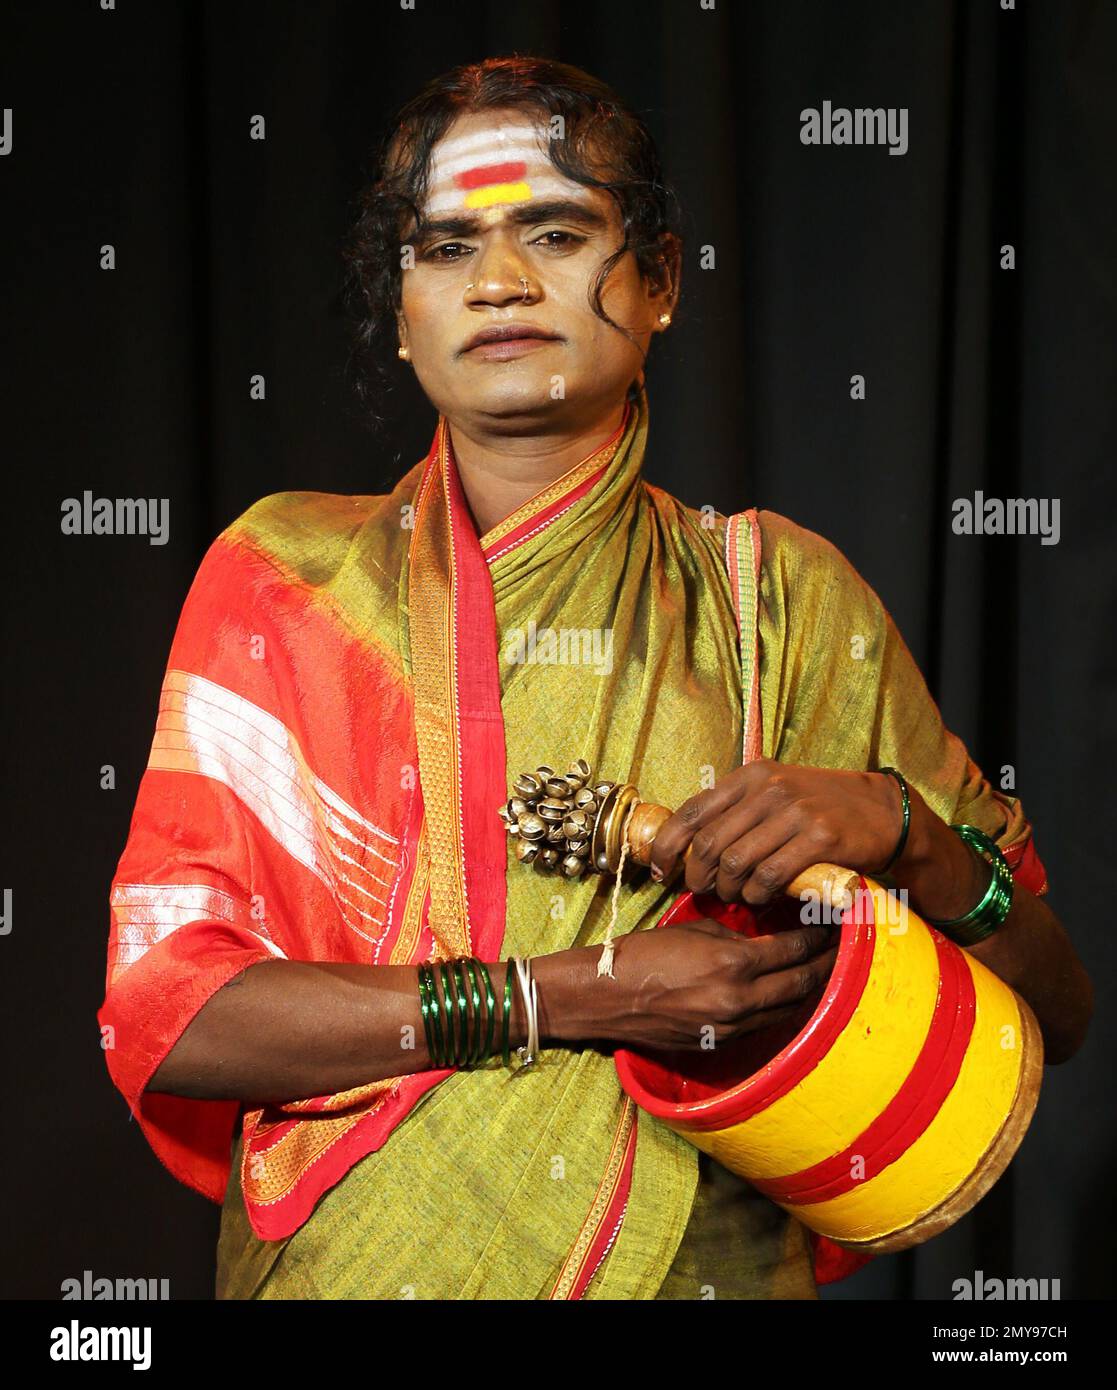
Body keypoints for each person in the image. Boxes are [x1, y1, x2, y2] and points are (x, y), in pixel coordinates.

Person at [99, 56, 1093, 1301]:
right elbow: (173, 1014)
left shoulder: (779, 600)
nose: (501, 284)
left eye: (556, 232)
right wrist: (575, 995)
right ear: (402, 310)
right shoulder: (289, 579)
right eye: (446, 248)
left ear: (661, 279)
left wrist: (903, 831)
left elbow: (1049, 1010)